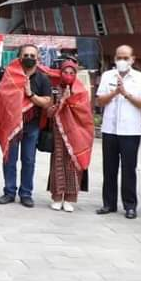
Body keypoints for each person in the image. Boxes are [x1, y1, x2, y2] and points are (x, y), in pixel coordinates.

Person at [95, 45, 141, 218]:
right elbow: (100, 102)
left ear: (133, 59)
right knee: (109, 168)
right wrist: (115, 92)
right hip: (110, 129)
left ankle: (130, 205)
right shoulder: (107, 76)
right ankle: (108, 204)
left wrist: (125, 94)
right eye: (119, 57)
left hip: (130, 131)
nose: (122, 61)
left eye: (126, 58)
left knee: (129, 169)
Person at [0, 44, 53, 208]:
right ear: (19, 57)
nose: (29, 58)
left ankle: (26, 194)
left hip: (31, 126)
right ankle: (9, 192)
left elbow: (47, 102)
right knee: (9, 160)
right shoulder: (11, 76)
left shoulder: (42, 79)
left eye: (32, 55)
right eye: (26, 55)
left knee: (28, 160)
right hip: (12, 125)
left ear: (37, 58)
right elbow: (2, 98)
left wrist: (30, 94)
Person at [44, 57, 94, 212]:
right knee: (58, 164)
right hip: (59, 133)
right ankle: (57, 197)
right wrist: (62, 101)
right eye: (65, 72)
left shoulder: (81, 92)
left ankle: (70, 199)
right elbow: (49, 113)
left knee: (73, 165)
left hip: (78, 133)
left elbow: (86, 114)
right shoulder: (54, 89)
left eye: (71, 72)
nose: (68, 74)